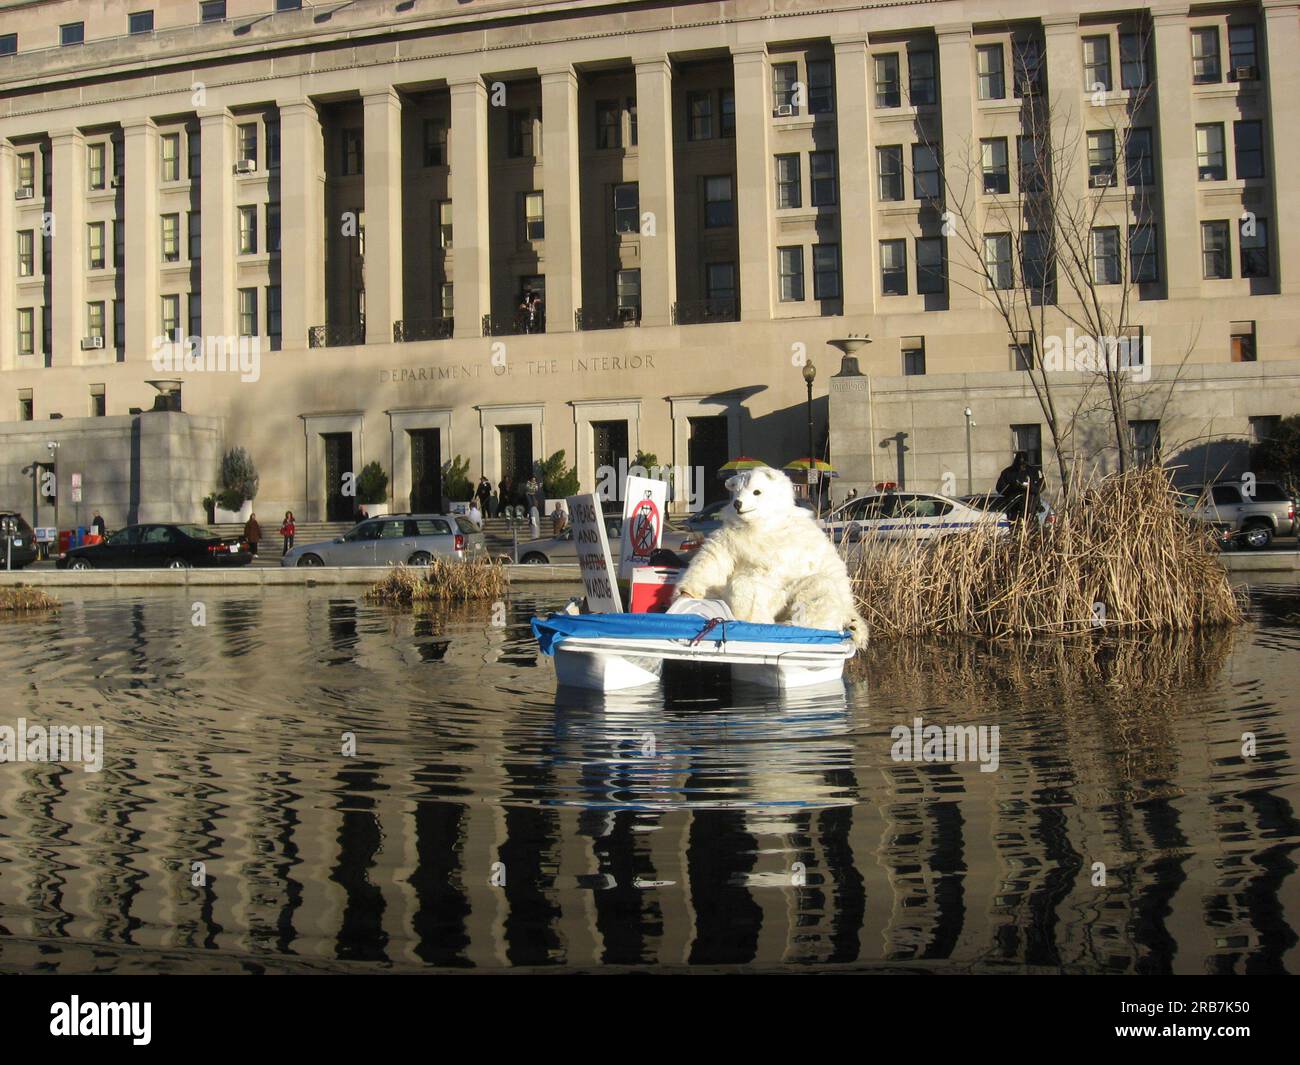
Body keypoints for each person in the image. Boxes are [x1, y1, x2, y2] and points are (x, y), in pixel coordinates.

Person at [995, 452, 1043, 527]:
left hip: (1031, 507)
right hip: (1014, 507)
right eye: (1020, 464)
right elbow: (1000, 488)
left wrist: (1029, 487)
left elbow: (1040, 487)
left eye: (1023, 464)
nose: (1022, 466)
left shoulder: (1033, 471)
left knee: (1031, 529)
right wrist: (1014, 488)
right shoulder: (1008, 472)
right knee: (1016, 530)